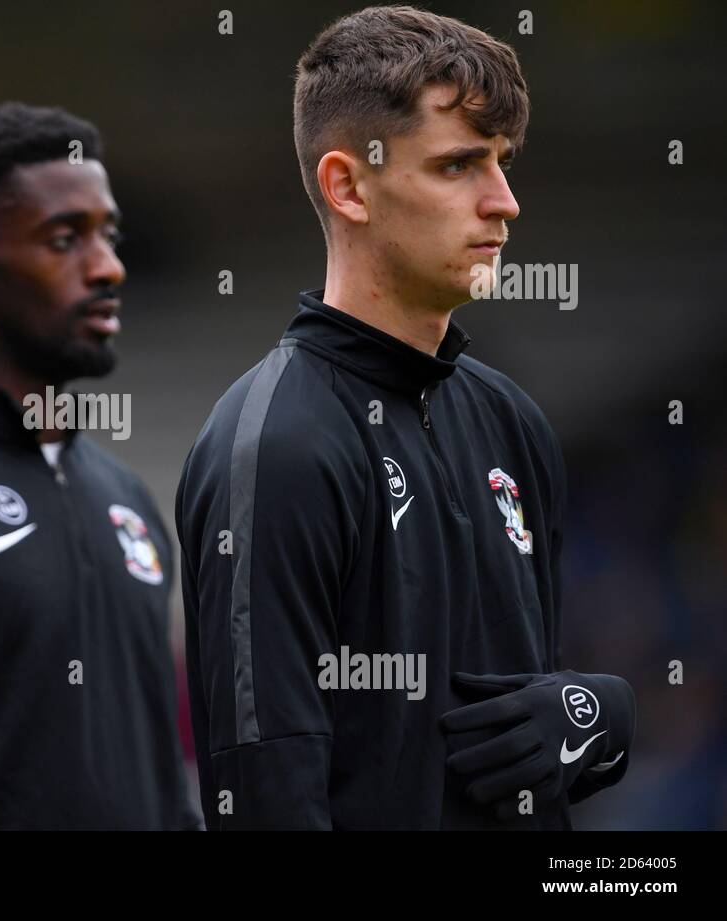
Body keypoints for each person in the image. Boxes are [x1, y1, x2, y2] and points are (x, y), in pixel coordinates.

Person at [176, 6, 635, 829]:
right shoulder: (278, 444)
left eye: (502, 162)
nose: (505, 203)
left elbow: (517, 728)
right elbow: (266, 796)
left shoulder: (513, 423)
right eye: (460, 165)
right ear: (348, 185)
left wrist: (596, 719)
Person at [0, 102, 200, 829]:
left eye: (108, 236)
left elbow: (153, 762)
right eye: (65, 238)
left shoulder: (126, 499)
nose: (109, 267)